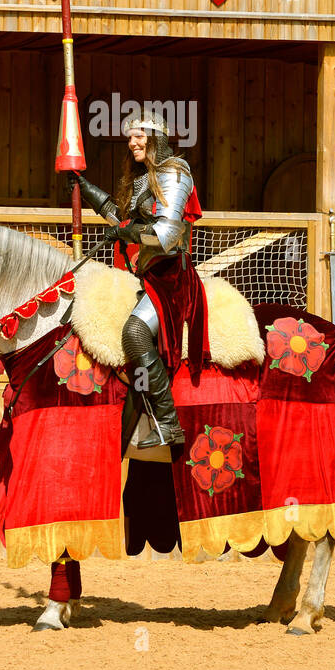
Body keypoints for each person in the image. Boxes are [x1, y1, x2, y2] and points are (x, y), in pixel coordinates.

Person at [69, 112, 207, 447]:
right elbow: (123, 219)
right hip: (146, 273)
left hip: (172, 278)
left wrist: (127, 230)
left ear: (157, 137)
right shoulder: (144, 179)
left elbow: (168, 236)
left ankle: (168, 424)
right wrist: (85, 189)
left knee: (133, 333)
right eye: (129, 138)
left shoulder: (174, 172)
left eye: (139, 136)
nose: (132, 143)